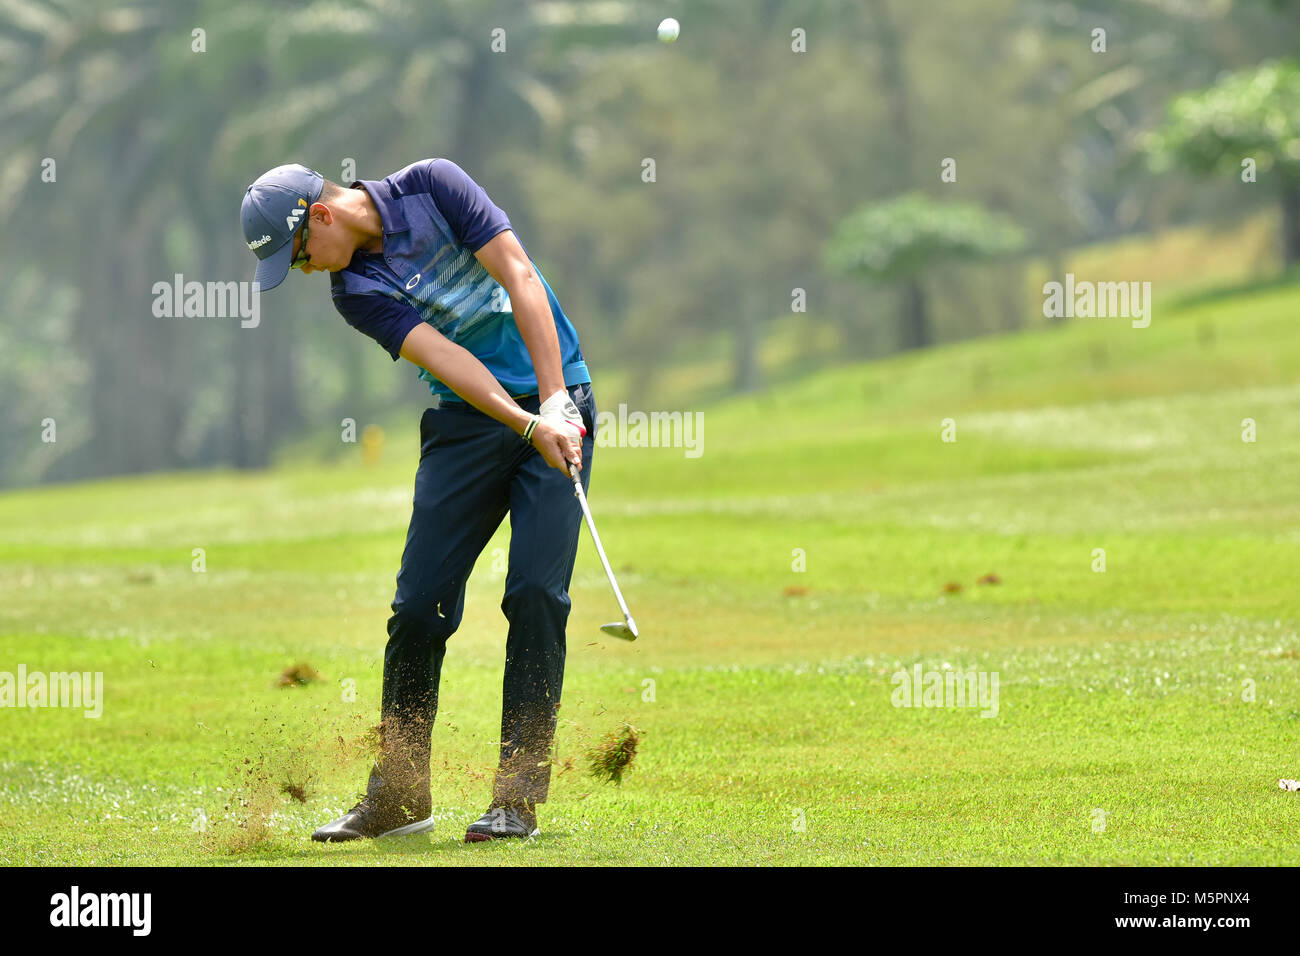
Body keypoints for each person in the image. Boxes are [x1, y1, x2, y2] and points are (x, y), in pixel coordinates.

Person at [240, 159, 595, 842]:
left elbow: (519, 275)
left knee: (535, 594)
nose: (308, 270)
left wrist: (552, 401)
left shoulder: (434, 186)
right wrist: (524, 423)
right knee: (417, 605)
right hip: (469, 422)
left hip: (559, 394)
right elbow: (445, 359)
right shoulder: (354, 292)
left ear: (320, 216)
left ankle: (515, 799)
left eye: (301, 255)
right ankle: (400, 796)